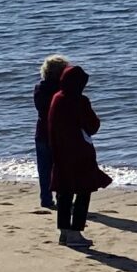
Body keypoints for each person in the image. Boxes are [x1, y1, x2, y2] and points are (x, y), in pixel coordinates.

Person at [46, 63, 109, 242]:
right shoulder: (79, 100)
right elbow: (93, 125)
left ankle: (64, 232)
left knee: (64, 192)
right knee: (83, 191)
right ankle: (75, 233)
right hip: (78, 152)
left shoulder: (57, 97)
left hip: (59, 152)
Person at [33, 56, 68, 210]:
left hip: (41, 132)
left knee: (44, 169)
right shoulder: (61, 91)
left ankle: (46, 198)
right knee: (60, 168)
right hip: (58, 133)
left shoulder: (39, 88)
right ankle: (62, 199)